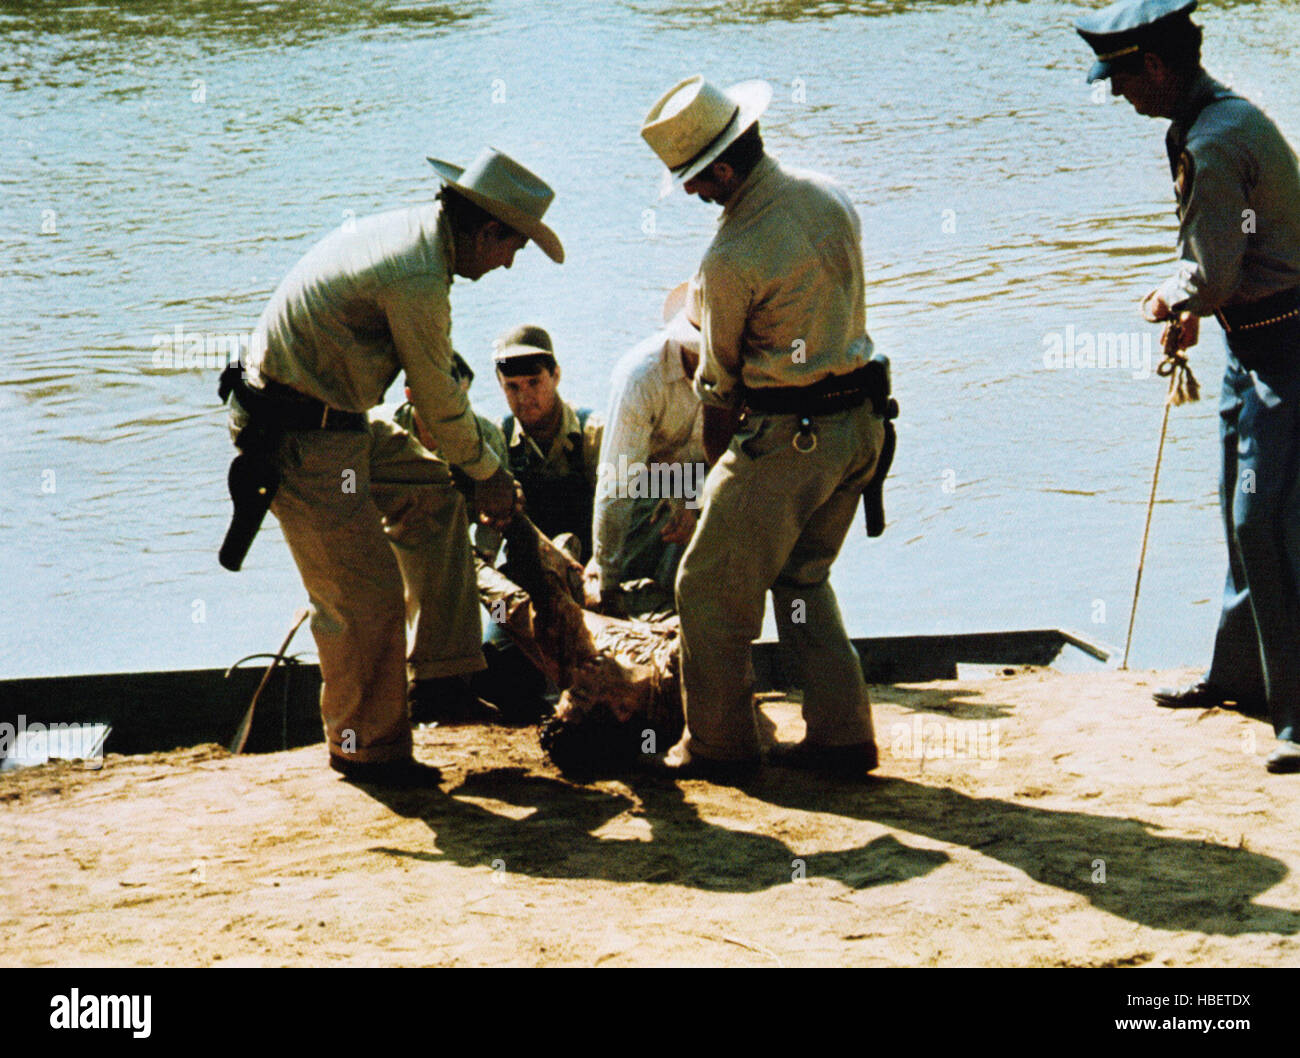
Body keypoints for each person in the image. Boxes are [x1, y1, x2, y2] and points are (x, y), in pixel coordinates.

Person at [223, 147, 563, 786]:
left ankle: (441, 681)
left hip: (336, 419)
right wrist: (490, 474)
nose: (511, 261)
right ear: (487, 230)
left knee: (437, 494)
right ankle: (366, 751)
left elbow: (438, 403)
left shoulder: (421, 248)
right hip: (298, 433)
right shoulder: (416, 274)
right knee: (363, 595)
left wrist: (472, 473)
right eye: (513, 246)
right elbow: (438, 401)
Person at [639, 75, 891, 781]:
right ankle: (844, 737)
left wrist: (715, 483)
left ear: (722, 167)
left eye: (693, 179)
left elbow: (718, 388)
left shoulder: (728, 257)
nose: (692, 194)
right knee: (803, 579)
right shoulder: (827, 194)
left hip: (791, 437)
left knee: (705, 590)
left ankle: (719, 746)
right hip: (862, 425)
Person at [1076, 0, 1300, 774]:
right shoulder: (1210, 120)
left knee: (1266, 522)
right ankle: (1241, 676)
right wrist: (1205, 303)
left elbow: (1210, 272)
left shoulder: (1212, 138)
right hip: (1257, 339)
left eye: (1123, 78)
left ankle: (1296, 714)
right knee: (1239, 512)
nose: (1118, 94)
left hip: (1288, 346)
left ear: (1158, 67)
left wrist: (1173, 299)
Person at [584, 278, 707, 618]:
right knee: (628, 587)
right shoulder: (641, 376)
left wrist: (692, 498)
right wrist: (606, 576)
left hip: (703, 481)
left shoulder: (740, 368)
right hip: (644, 485)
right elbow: (617, 482)